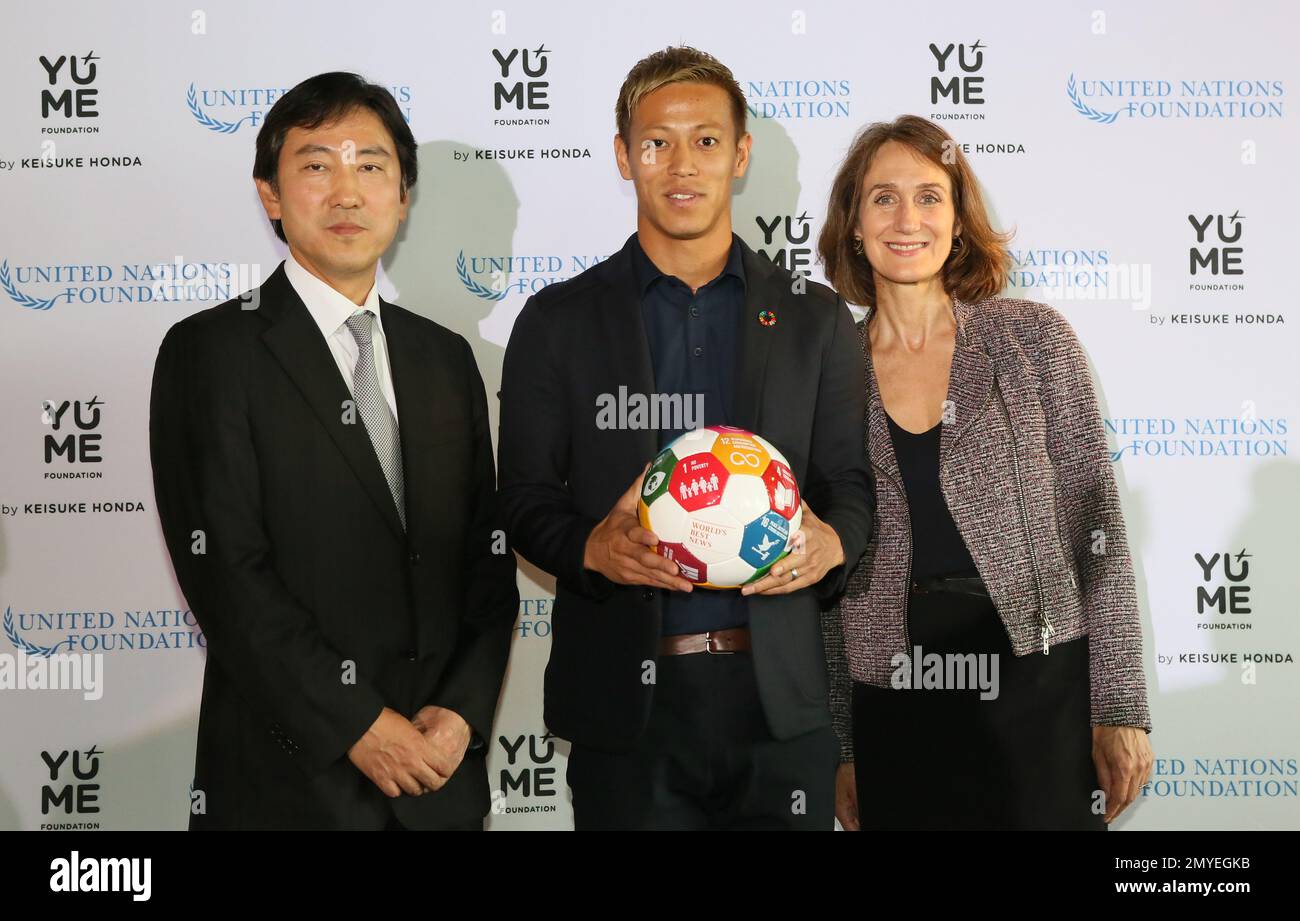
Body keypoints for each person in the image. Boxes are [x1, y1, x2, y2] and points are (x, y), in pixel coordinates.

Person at [497, 46, 873, 830]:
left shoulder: (814, 316)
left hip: (780, 711)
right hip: (626, 718)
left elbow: (851, 485)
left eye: (705, 140)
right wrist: (593, 549)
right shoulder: (558, 320)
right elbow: (525, 499)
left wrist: (832, 544)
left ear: (740, 155)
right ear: (623, 157)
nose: (681, 164)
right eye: (656, 141)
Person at [149, 72, 518, 830]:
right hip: (287, 786)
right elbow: (228, 576)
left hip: (437, 785)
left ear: (404, 196)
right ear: (271, 194)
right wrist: (358, 724)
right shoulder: (211, 353)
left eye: (371, 166)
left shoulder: (445, 359)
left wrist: (459, 715)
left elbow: (487, 562)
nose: (346, 193)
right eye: (317, 165)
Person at [818, 115, 1154, 831]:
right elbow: (824, 579)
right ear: (851, 224)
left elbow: (1097, 528)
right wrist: (842, 742)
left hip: (1039, 687)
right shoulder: (827, 372)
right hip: (896, 699)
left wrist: (1118, 705)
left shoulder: (1032, 340)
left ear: (959, 220)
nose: (907, 218)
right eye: (882, 198)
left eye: (929, 196)